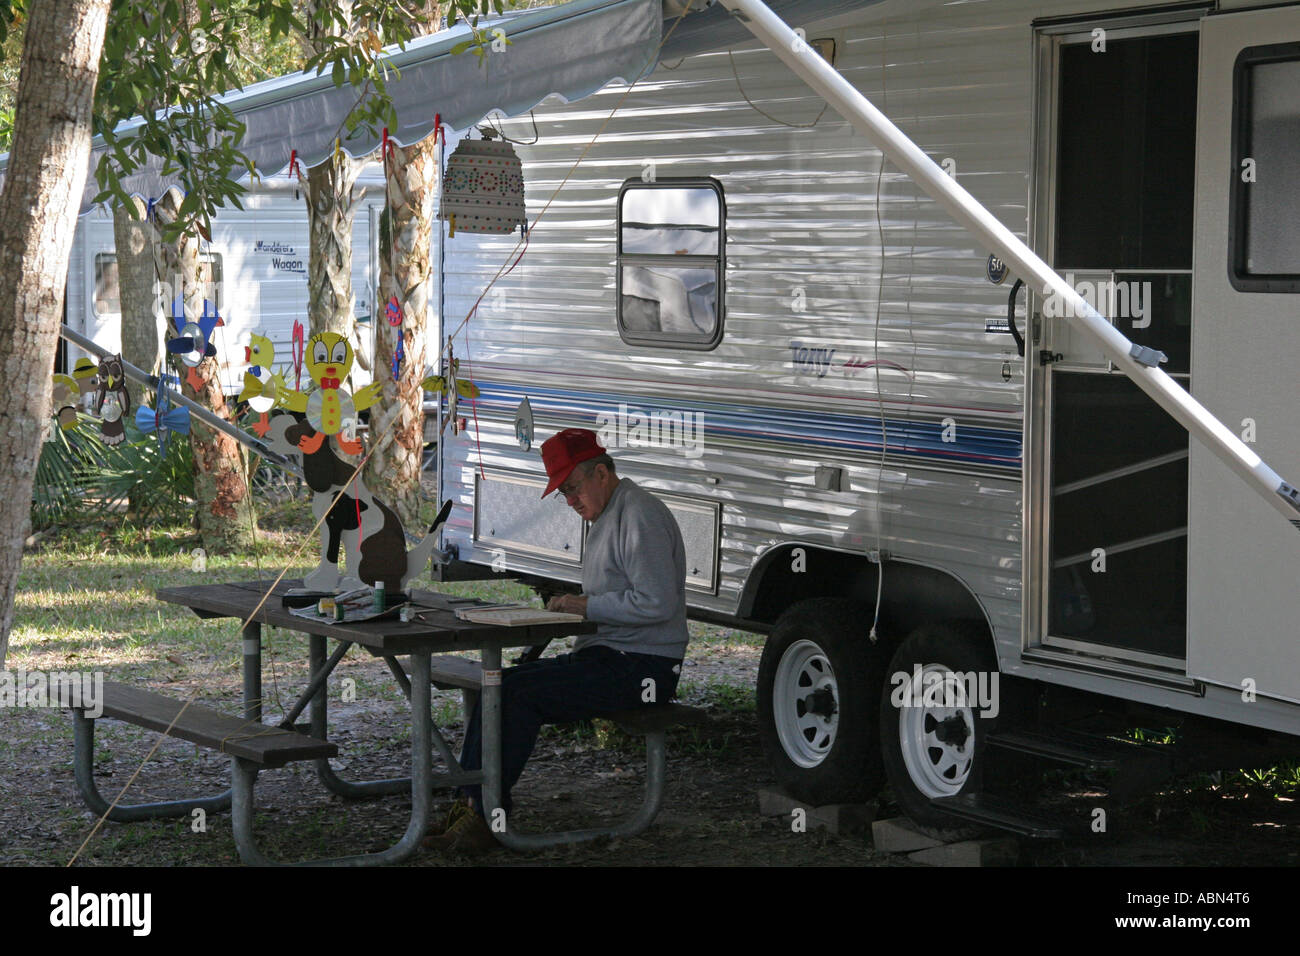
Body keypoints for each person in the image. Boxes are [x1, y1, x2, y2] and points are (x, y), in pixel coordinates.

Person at [425, 427, 689, 853]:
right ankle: (471, 808)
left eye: (573, 488)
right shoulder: (611, 513)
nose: (570, 501)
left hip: (645, 667)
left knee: (515, 695)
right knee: (502, 684)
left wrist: (584, 606)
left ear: (601, 473)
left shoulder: (639, 513)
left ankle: (485, 815)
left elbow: (655, 604)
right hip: (615, 655)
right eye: (564, 493)